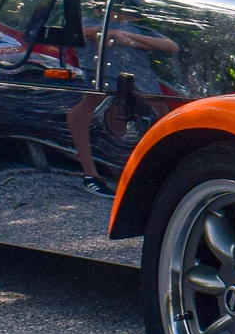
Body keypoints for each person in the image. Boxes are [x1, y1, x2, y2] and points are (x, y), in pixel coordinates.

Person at [68, 13, 179, 197]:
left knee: (160, 116)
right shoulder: (88, 23)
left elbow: (171, 46)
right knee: (87, 109)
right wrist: (102, 32)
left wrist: (125, 37)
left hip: (141, 83)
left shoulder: (137, 28)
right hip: (103, 79)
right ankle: (91, 174)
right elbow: (74, 35)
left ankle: (161, 171)